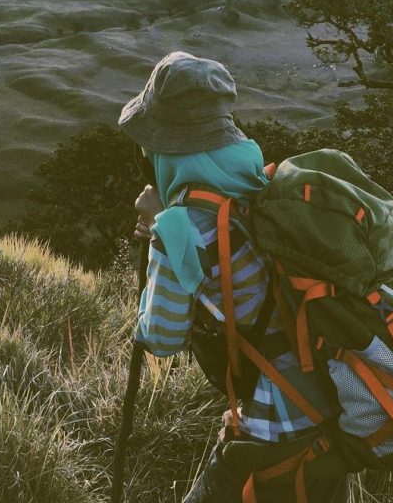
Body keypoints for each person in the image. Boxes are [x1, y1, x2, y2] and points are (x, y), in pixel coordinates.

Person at [118, 51, 349, 503]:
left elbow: (160, 339)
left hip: (278, 424)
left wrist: (155, 234)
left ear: (162, 151)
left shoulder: (181, 228)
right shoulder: (258, 188)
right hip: (334, 402)